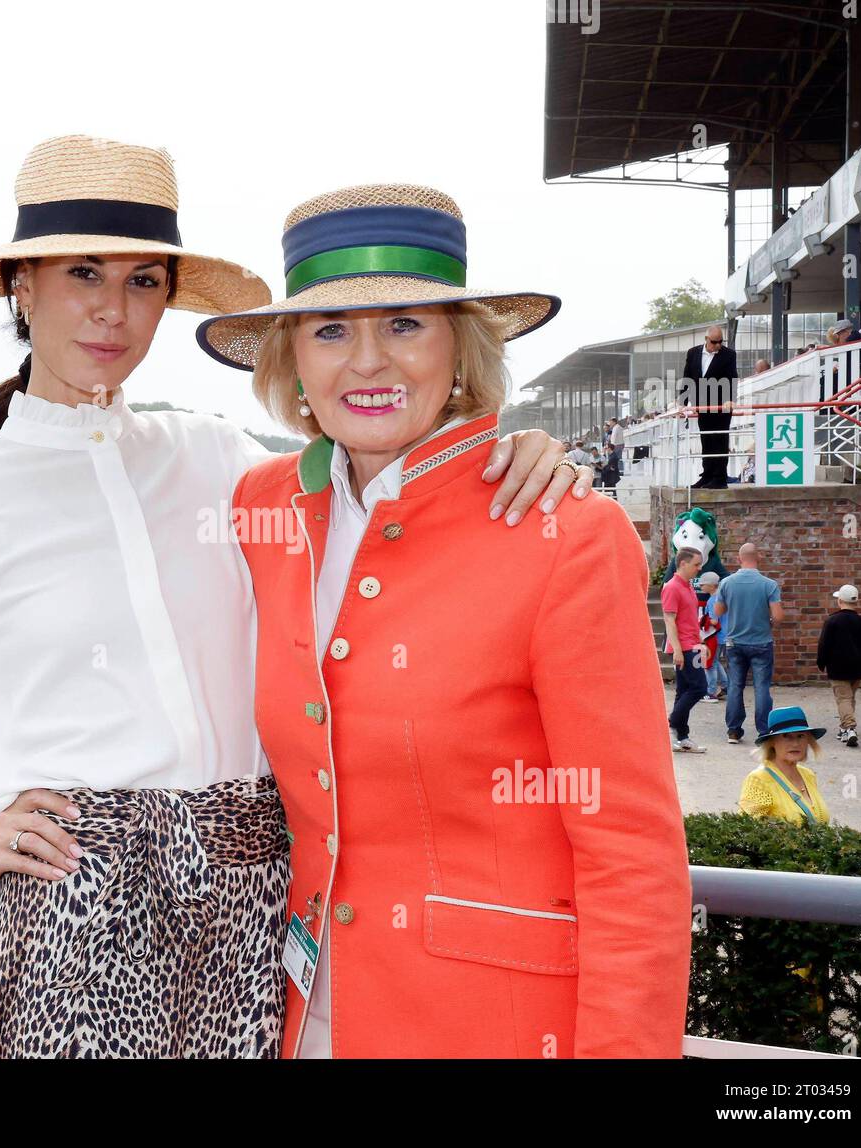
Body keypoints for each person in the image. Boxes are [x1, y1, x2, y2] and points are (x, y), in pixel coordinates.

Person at [0, 137, 590, 1062]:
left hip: (255, 907)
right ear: (21, 287)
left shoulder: (221, 461)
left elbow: (383, 471)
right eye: (84, 272)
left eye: (145, 280)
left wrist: (505, 455)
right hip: (73, 917)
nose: (114, 310)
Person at [198, 181, 691, 1058]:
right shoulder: (259, 511)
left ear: (459, 348)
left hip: (493, 1029)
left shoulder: (566, 530)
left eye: (405, 324)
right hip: (292, 1022)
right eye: (332, 330)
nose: (368, 362)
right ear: (294, 362)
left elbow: (631, 852)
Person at [714, 543, 783, 743]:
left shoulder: (726, 583)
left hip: (735, 642)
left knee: (735, 685)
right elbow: (778, 615)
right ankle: (764, 730)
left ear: (739, 559)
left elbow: (718, 612)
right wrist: (769, 622)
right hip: (762, 642)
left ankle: (734, 730)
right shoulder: (768, 584)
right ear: (758, 557)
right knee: (762, 687)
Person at [738, 707, 830, 825]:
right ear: (771, 742)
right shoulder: (759, 780)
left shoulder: (808, 775)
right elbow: (746, 829)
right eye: (786, 736)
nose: (795, 743)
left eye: (800, 736)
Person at [660, 546, 709, 752]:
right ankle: (672, 722)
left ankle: (682, 737)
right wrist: (678, 650)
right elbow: (669, 620)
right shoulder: (672, 587)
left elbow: (689, 619)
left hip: (693, 645)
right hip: (685, 647)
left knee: (683, 691)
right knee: (699, 688)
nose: (699, 568)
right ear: (683, 563)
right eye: (696, 564)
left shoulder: (687, 586)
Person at [677, 325, 737, 489]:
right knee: (706, 439)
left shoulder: (729, 355)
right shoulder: (693, 353)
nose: (718, 345)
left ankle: (719, 478)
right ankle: (707, 475)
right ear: (706, 339)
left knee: (720, 439)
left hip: (721, 405)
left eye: (720, 341)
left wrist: (731, 399)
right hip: (701, 404)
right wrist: (682, 401)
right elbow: (687, 377)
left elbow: (732, 377)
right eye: (714, 342)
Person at [815, 584, 861, 747]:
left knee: (843, 698)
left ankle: (850, 728)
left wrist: (821, 662)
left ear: (839, 601)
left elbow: (824, 644)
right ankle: (843, 728)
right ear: (856, 602)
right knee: (849, 698)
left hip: (837, 667)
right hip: (858, 667)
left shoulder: (832, 621)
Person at [698, 570, 728, 701]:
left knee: (709, 664)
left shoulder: (712, 600)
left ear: (711, 585)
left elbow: (714, 621)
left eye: (703, 584)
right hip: (725, 635)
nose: (700, 587)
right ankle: (726, 686)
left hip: (715, 636)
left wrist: (702, 621)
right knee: (715, 662)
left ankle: (710, 692)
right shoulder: (723, 597)